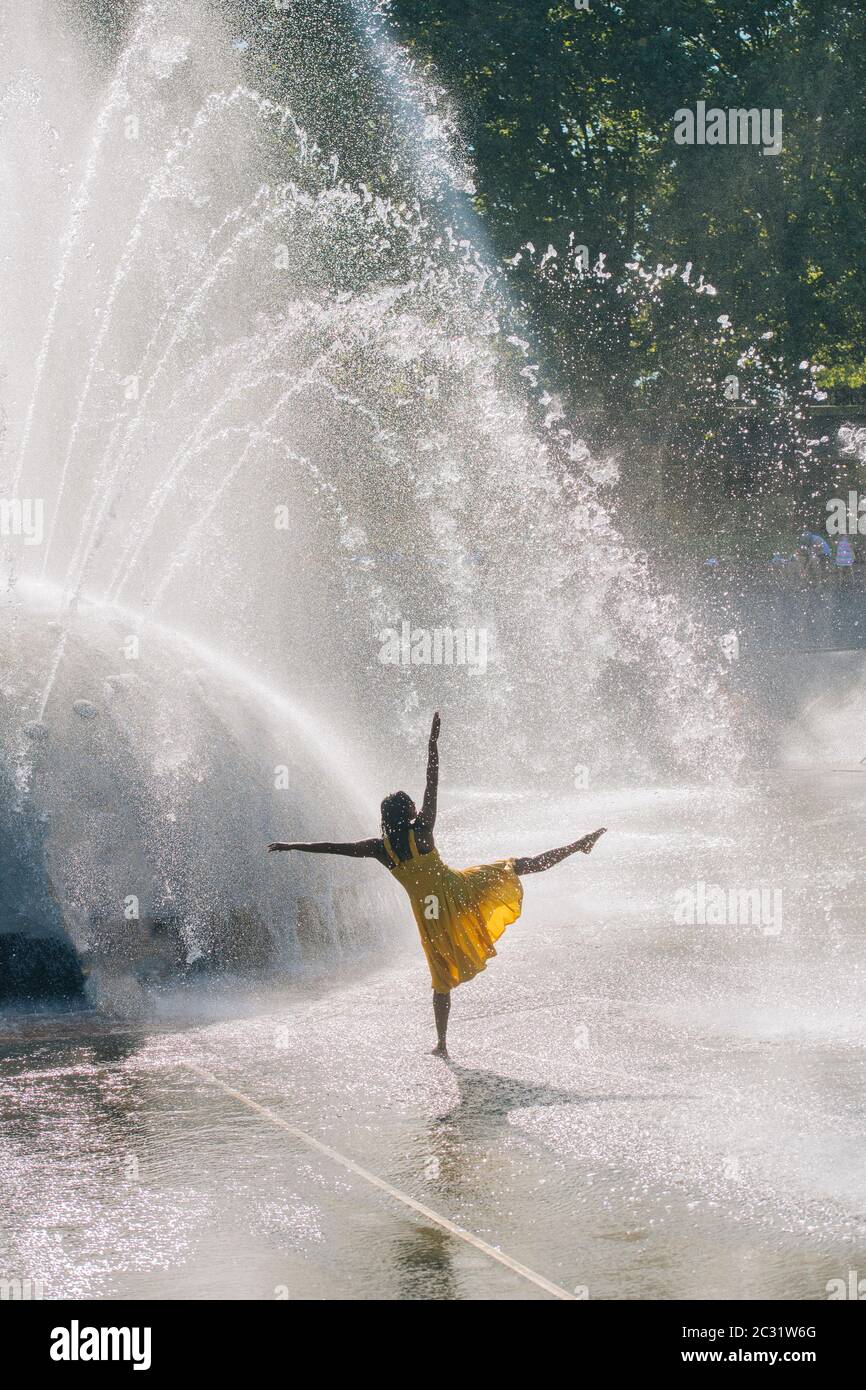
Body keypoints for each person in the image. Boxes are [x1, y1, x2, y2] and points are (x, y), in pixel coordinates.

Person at [268, 713, 606, 1056]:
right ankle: (578, 845)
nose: (418, 804)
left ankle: (442, 1044)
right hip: (459, 890)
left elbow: (334, 848)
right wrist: (432, 743)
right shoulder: (423, 831)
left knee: (440, 980)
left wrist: (293, 845)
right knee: (520, 865)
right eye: (412, 803)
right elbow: (433, 783)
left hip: (430, 917)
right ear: (409, 811)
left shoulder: (380, 849)